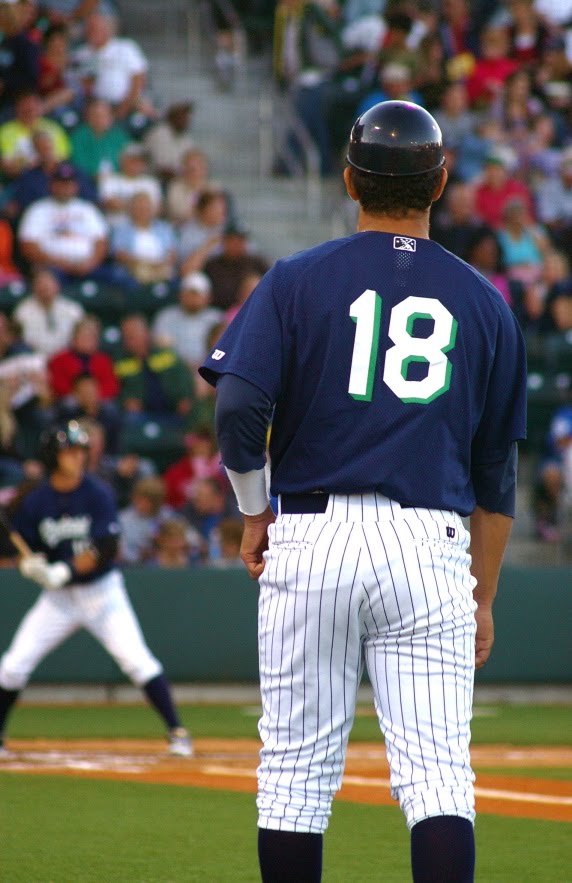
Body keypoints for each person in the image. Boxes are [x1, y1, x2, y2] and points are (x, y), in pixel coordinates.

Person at [199, 101, 527, 882]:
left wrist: (254, 512)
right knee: (437, 775)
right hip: (430, 543)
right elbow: (497, 473)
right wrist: (482, 596)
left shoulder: (295, 278)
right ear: (439, 182)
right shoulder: (485, 300)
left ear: (349, 180)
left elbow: (237, 406)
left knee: (296, 773)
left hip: (312, 532)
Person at [0, 420, 192, 758]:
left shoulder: (96, 493)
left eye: (81, 451)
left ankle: (177, 732)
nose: (78, 457)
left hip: (102, 593)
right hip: (59, 599)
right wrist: (29, 565)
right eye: (70, 451)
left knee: (137, 662)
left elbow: (105, 546)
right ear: (53, 456)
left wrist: (65, 569)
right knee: (14, 665)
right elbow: (23, 546)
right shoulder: (36, 500)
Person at [18, 161, 109, 282]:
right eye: (60, 184)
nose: (64, 188)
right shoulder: (37, 209)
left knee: (119, 276)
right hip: (52, 267)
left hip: (86, 266)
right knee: (45, 280)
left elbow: (101, 242)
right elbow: (28, 247)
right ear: (51, 185)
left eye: (68, 184)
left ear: (75, 186)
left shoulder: (88, 209)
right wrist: (61, 263)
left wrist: (90, 263)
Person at [152, 271, 223, 369]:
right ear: (180, 295)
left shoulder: (217, 318)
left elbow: (222, 349)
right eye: (189, 294)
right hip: (175, 369)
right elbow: (160, 347)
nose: (193, 298)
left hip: (208, 367)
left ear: (208, 297)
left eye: (197, 294)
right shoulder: (166, 317)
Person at [13, 267, 84, 357]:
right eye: (40, 283)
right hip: (35, 357)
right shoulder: (22, 311)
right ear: (33, 286)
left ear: (57, 285)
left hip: (67, 357)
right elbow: (21, 341)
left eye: (48, 283)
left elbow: (80, 339)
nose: (44, 287)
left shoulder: (73, 309)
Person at [48, 314, 119, 400]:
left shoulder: (104, 361)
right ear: (74, 338)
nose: (88, 340)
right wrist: (81, 396)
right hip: (70, 399)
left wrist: (94, 396)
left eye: (92, 336)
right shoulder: (59, 360)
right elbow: (57, 384)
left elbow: (111, 385)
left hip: (99, 400)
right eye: (84, 336)